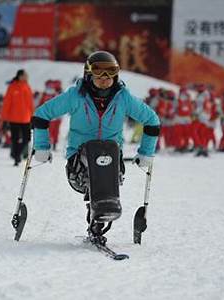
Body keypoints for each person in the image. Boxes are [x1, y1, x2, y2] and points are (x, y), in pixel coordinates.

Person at [32, 50, 160, 244]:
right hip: (79, 159)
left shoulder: (123, 97)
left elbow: (152, 120)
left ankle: (100, 218)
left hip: (110, 158)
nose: (105, 78)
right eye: (99, 72)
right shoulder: (75, 95)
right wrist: (41, 146)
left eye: (110, 72)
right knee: (93, 164)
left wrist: (146, 153)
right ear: (88, 74)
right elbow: (41, 115)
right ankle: (98, 216)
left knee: (107, 157)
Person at [0, 69, 34, 166]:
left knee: (27, 138)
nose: (27, 77)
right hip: (13, 118)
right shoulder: (12, 87)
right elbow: (6, 103)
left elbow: (30, 103)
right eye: (25, 75)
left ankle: (17, 154)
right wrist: (4, 119)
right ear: (20, 76)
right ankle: (16, 158)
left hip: (26, 118)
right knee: (14, 139)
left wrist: (33, 116)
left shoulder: (27, 87)